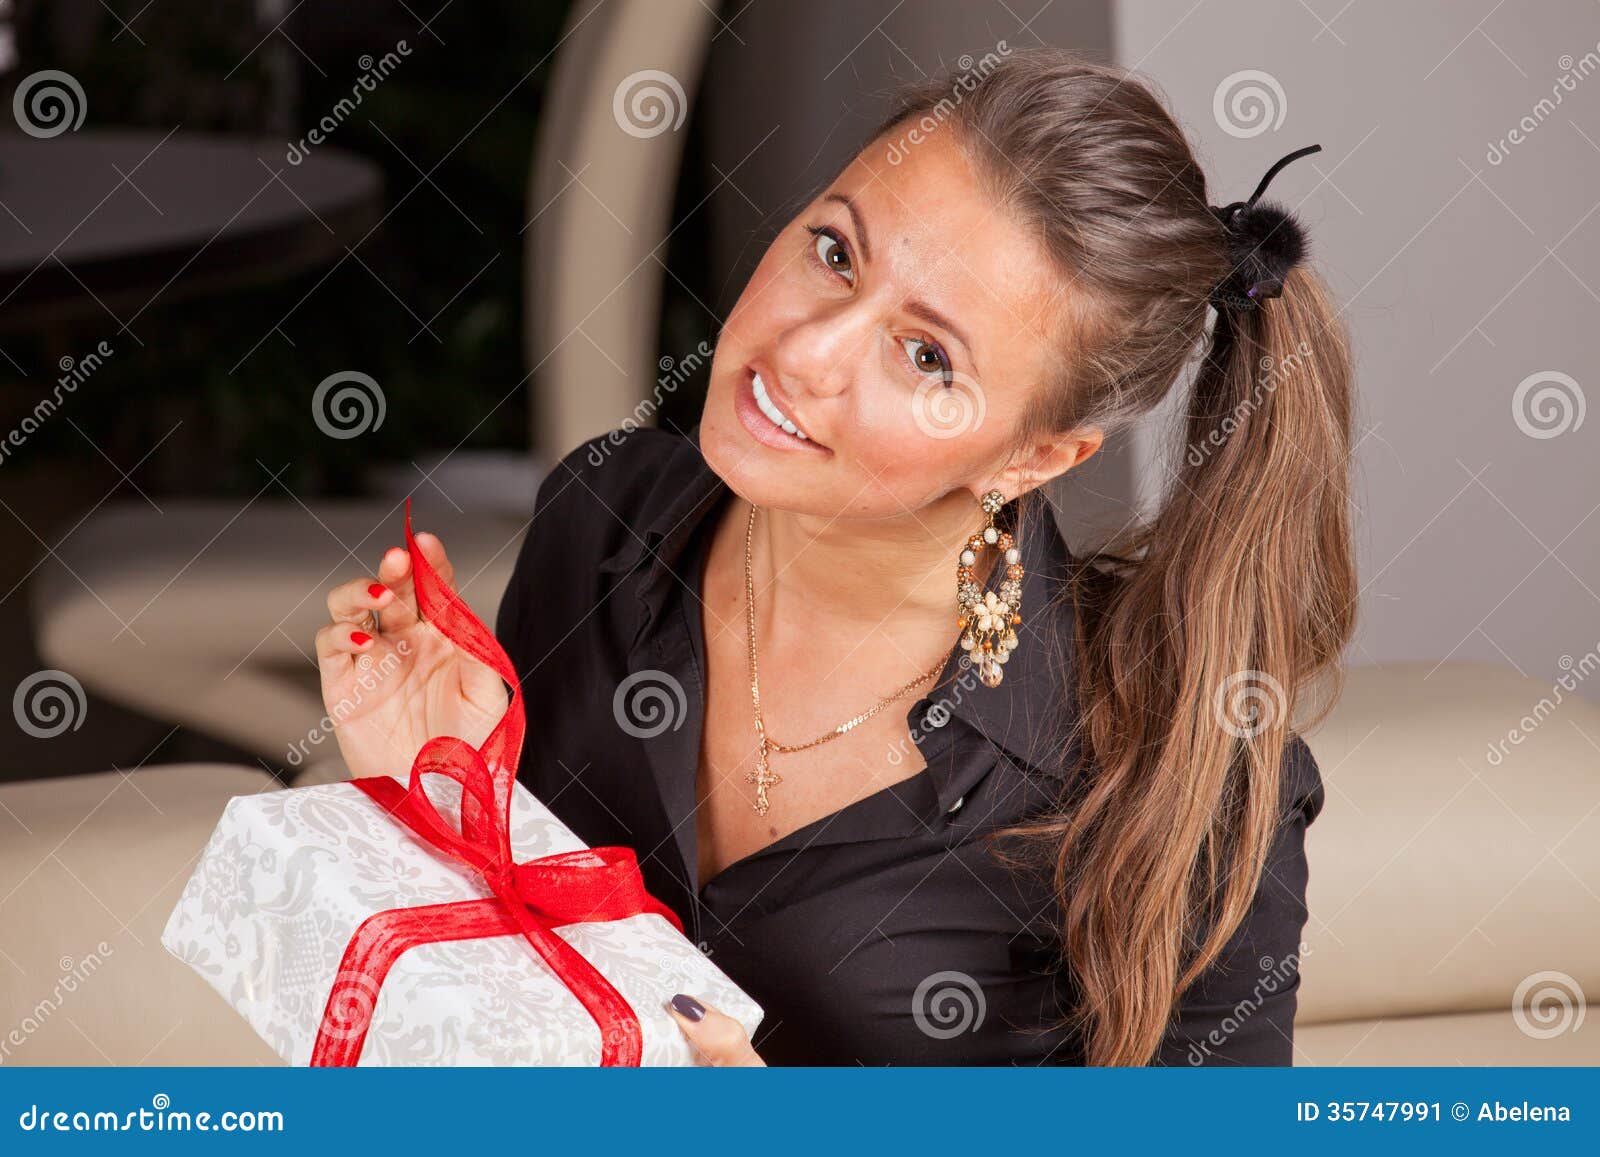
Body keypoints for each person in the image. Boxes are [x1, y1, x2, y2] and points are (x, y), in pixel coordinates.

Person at [316, 48, 1355, 1066]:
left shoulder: (1183, 784)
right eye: (834, 252)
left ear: (1037, 455)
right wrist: (440, 798)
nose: (804, 352)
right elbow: (509, 1027)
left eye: (926, 355)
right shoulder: (602, 519)